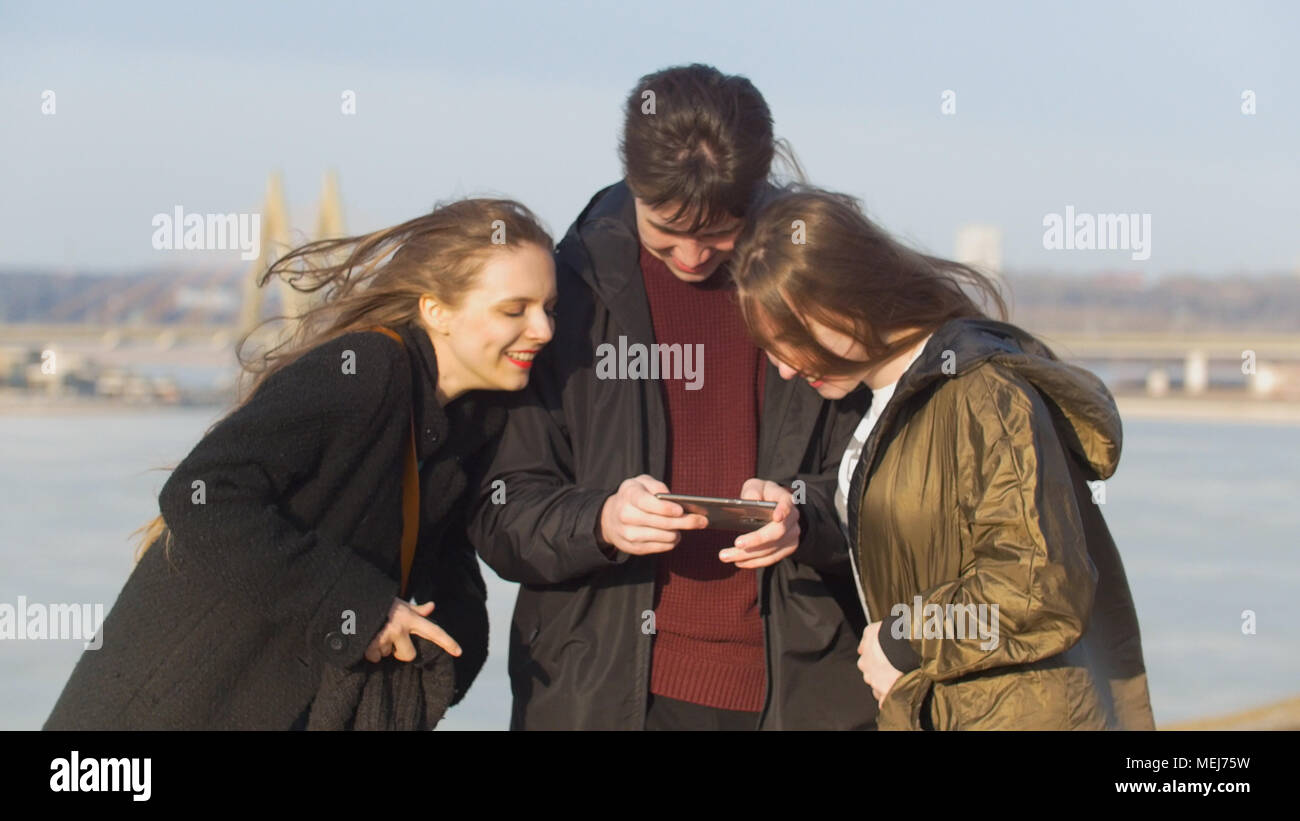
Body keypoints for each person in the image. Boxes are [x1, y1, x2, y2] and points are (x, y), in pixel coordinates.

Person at [44, 198, 557, 730]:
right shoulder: (368, 372)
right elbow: (201, 492)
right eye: (514, 310)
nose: (543, 329)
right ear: (436, 310)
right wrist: (360, 607)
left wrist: (445, 657)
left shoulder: (468, 418)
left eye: (549, 307)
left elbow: (444, 566)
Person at [467, 64, 875, 730]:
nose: (691, 256)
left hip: (806, 693)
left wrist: (804, 514)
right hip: (599, 696)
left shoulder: (818, 282)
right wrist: (601, 521)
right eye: (667, 230)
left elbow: (884, 480)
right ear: (633, 183)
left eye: (718, 233)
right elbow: (500, 508)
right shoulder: (566, 296)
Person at [730, 186, 1157, 730]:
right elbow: (921, 538)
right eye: (769, 348)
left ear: (848, 293)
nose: (786, 368)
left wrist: (902, 638)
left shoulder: (982, 393)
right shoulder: (891, 404)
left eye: (793, 338)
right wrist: (802, 515)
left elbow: (1038, 586)